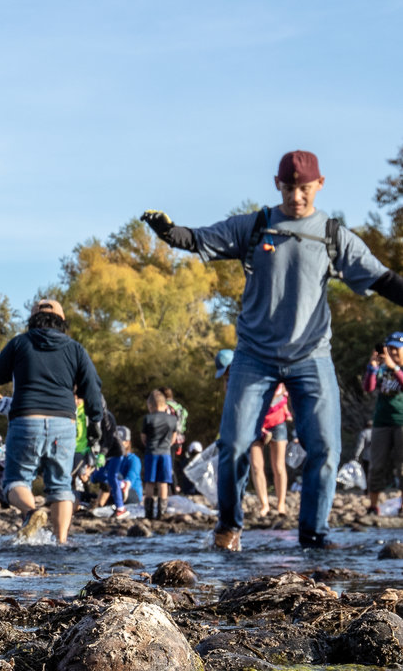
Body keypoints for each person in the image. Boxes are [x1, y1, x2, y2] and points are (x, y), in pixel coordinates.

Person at [142, 150, 403, 550]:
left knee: (326, 448)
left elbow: (383, 279)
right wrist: (167, 230)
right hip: (254, 356)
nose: (296, 197)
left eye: (304, 189)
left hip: (311, 355)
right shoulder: (257, 225)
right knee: (233, 445)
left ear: (320, 185)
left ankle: (313, 533)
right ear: (277, 185)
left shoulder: (333, 235)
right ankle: (229, 526)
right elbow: (199, 239)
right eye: (288, 188)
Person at [0, 298, 103, 544]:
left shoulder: (19, 343)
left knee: (16, 480)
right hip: (63, 423)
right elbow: (92, 387)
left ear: (32, 321)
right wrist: (96, 423)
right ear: (62, 322)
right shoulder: (75, 348)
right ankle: (60, 542)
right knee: (61, 486)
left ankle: (31, 512)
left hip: (27, 420)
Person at [364, 333, 403, 515]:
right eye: (390, 348)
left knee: (402, 467)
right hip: (381, 422)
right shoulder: (381, 369)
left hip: (401, 421)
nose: (393, 352)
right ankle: (373, 505)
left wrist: (394, 368)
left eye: (396, 348)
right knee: (376, 465)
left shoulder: (396, 368)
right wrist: (372, 367)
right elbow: (368, 388)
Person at [248, 383, 291, 516]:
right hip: (254, 422)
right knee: (256, 466)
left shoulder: (280, 379)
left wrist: (287, 412)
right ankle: (264, 504)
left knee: (278, 466)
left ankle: (281, 504)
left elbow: (283, 396)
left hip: (277, 422)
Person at [142, 390, 180, 519]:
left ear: (150, 405)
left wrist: (150, 445)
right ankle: (161, 513)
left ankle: (148, 513)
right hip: (165, 453)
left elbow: (143, 438)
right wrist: (166, 445)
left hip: (151, 452)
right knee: (163, 482)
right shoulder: (172, 419)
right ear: (165, 405)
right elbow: (174, 438)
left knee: (149, 482)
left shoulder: (148, 418)